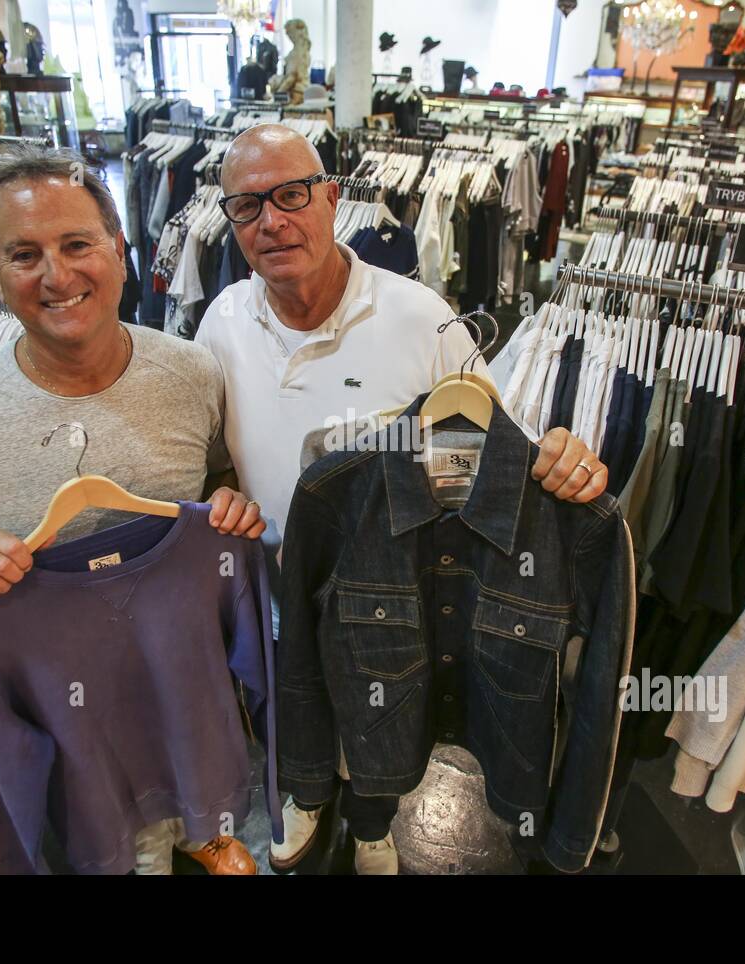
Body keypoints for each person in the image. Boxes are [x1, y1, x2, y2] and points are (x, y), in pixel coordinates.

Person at [195, 124, 610, 874]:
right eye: (248, 206)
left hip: (383, 594)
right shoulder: (222, 319)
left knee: (376, 712)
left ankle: (373, 821)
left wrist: (558, 457)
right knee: (294, 708)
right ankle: (306, 795)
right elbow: (214, 456)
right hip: (273, 588)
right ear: (229, 220)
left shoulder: (422, 316)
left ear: (330, 197)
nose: (272, 221)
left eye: (291, 195)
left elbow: (487, 445)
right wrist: (227, 496)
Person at [0, 147, 266, 876]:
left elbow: (223, 483)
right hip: (71, 718)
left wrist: (233, 507)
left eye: (77, 245)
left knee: (198, 795)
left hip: (179, 685)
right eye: (24, 255)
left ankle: (203, 826)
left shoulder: (193, 372)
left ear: (119, 251)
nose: (58, 277)